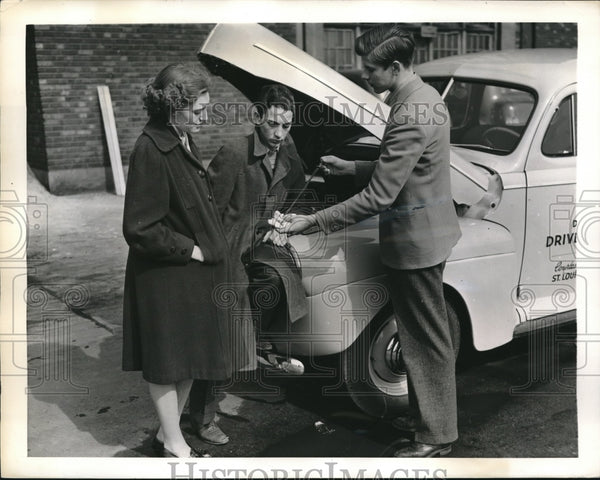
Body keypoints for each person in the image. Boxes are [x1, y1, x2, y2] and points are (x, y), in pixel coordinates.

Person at [270, 25, 461, 457]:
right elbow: (408, 165)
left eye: (371, 69)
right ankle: (427, 418)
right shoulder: (424, 97)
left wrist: (312, 222)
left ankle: (435, 437)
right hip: (430, 231)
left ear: (395, 67)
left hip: (415, 241)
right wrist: (351, 169)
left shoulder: (410, 112)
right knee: (422, 336)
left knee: (425, 340)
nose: (364, 77)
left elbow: (381, 195)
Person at [122, 63, 238, 457]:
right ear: (174, 106)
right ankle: (173, 442)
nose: (206, 115)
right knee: (167, 362)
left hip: (188, 276)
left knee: (189, 358)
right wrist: (194, 249)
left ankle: (165, 434)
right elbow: (140, 229)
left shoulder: (181, 138)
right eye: (199, 109)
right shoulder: (151, 149)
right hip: (166, 277)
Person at [193, 83, 307, 380]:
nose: (279, 134)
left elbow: (300, 199)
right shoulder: (234, 153)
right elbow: (209, 212)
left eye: (286, 125)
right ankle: (202, 418)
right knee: (224, 329)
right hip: (229, 247)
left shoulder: (289, 159)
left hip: (262, 244)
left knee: (279, 279)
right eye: (272, 124)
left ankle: (258, 348)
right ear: (258, 117)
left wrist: (284, 225)